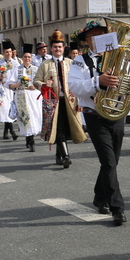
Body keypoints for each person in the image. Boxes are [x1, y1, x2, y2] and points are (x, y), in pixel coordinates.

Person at [69, 20, 129, 226]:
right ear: (87, 41)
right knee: (109, 162)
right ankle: (117, 208)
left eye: (103, 35)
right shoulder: (79, 61)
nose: (99, 40)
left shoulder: (119, 56)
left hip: (116, 112)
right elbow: (75, 87)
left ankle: (99, 196)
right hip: (94, 115)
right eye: (94, 37)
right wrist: (98, 81)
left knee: (112, 161)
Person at [34, 30, 87, 168]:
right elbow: (36, 81)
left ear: (64, 48)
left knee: (67, 128)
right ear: (51, 49)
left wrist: (80, 101)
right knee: (58, 128)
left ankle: (59, 155)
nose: (57, 49)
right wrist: (45, 85)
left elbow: (80, 82)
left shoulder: (71, 63)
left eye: (60, 47)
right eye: (55, 47)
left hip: (69, 101)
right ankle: (66, 156)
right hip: (53, 102)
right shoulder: (45, 64)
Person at [9, 45, 43, 152]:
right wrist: (18, 84)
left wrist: (36, 86)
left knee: (34, 116)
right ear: (22, 58)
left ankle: (31, 138)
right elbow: (10, 84)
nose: (27, 59)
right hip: (21, 95)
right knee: (25, 117)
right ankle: (29, 139)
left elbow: (42, 82)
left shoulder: (36, 69)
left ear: (31, 58)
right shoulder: (17, 69)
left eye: (29, 57)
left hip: (34, 96)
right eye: (25, 57)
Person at [0, 41, 19, 141]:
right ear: (3, 52)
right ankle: (12, 132)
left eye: (10, 52)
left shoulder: (15, 63)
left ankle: (6, 132)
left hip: (13, 89)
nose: (8, 54)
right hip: (4, 89)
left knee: (12, 110)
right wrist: (0, 77)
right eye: (6, 52)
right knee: (6, 109)